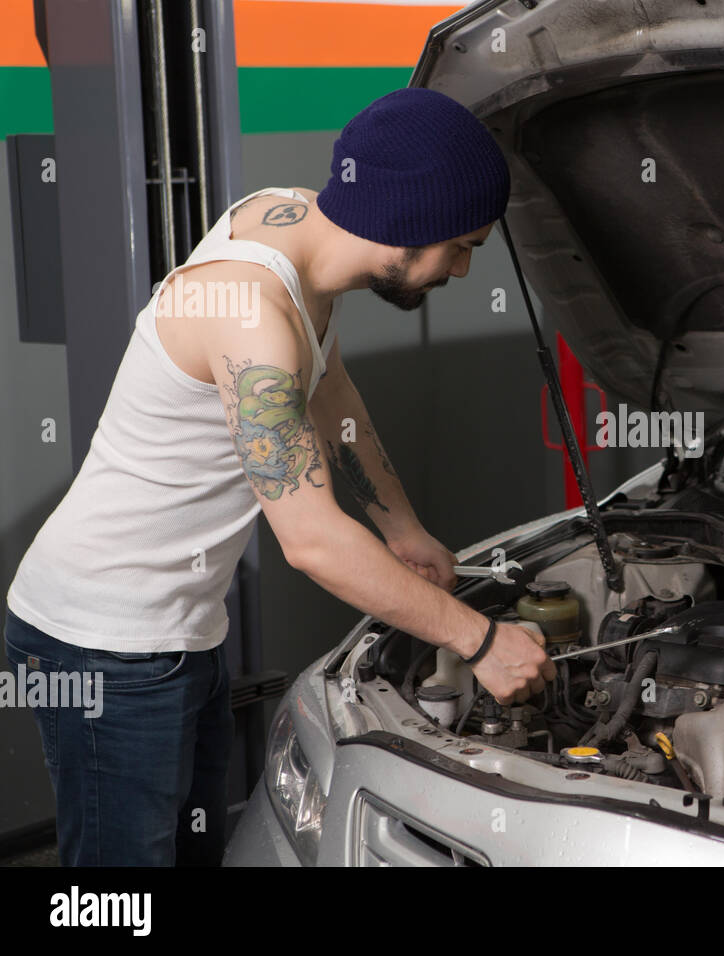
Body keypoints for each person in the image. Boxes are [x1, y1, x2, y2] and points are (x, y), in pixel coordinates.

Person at [3, 88, 555, 866]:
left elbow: (328, 392)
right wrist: (481, 639)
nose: (463, 270)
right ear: (407, 223)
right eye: (462, 245)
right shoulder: (251, 313)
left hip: (180, 630)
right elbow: (315, 543)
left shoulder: (290, 221)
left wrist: (402, 529)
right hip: (102, 643)